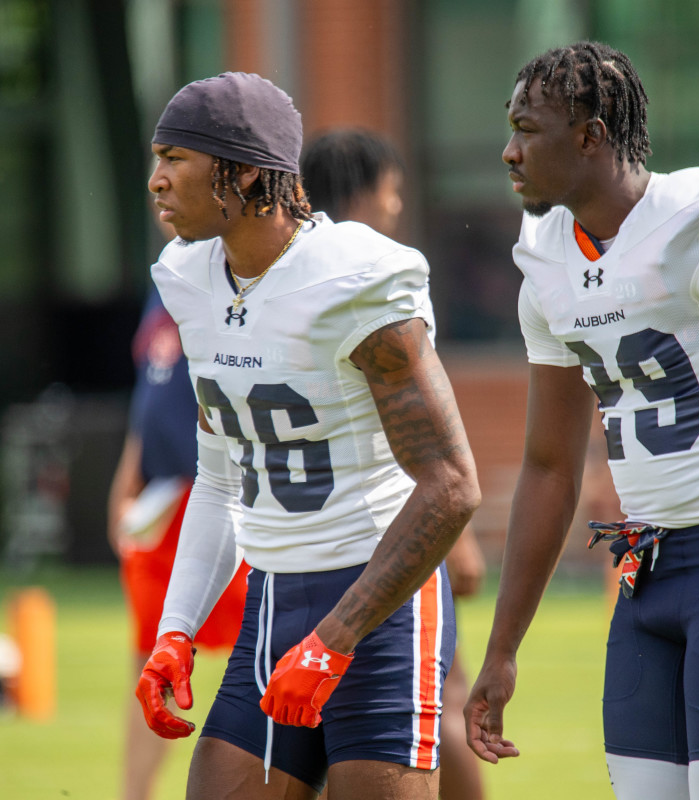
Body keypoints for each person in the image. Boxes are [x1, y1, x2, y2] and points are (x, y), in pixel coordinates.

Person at [464, 43, 699, 800]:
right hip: (646, 566)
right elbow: (549, 466)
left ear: (591, 137)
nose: (509, 151)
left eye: (527, 129)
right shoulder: (544, 265)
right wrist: (502, 649)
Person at [133, 73, 481, 800]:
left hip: (377, 610)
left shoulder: (354, 279)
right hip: (270, 603)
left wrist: (336, 639)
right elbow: (222, 480)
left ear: (245, 170)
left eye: (175, 159)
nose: (156, 181)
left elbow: (451, 485)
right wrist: (176, 629)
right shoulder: (189, 278)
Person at [301, 128, 489, 800]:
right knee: (437, 697)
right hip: (389, 535)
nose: (396, 206)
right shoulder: (380, 275)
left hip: (304, 541)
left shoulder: (284, 280)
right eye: (392, 192)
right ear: (363, 192)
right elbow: (418, 438)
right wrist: (457, 541)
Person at [108, 254, 252, 800]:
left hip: (226, 494)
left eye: (175, 161)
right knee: (149, 662)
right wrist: (127, 479)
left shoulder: (240, 264)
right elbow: (152, 388)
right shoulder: (169, 274)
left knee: (264, 654)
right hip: (161, 500)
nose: (159, 181)